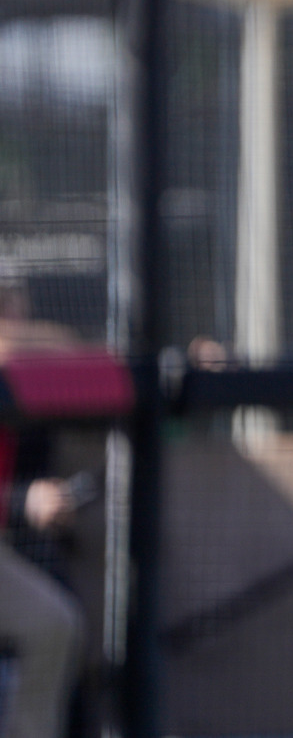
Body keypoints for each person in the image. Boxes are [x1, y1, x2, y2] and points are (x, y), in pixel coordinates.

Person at [0, 279, 88, 738]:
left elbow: (76, 357)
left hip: (14, 546)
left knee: (55, 622)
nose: (19, 324)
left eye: (20, 310)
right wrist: (21, 502)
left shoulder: (24, 372)